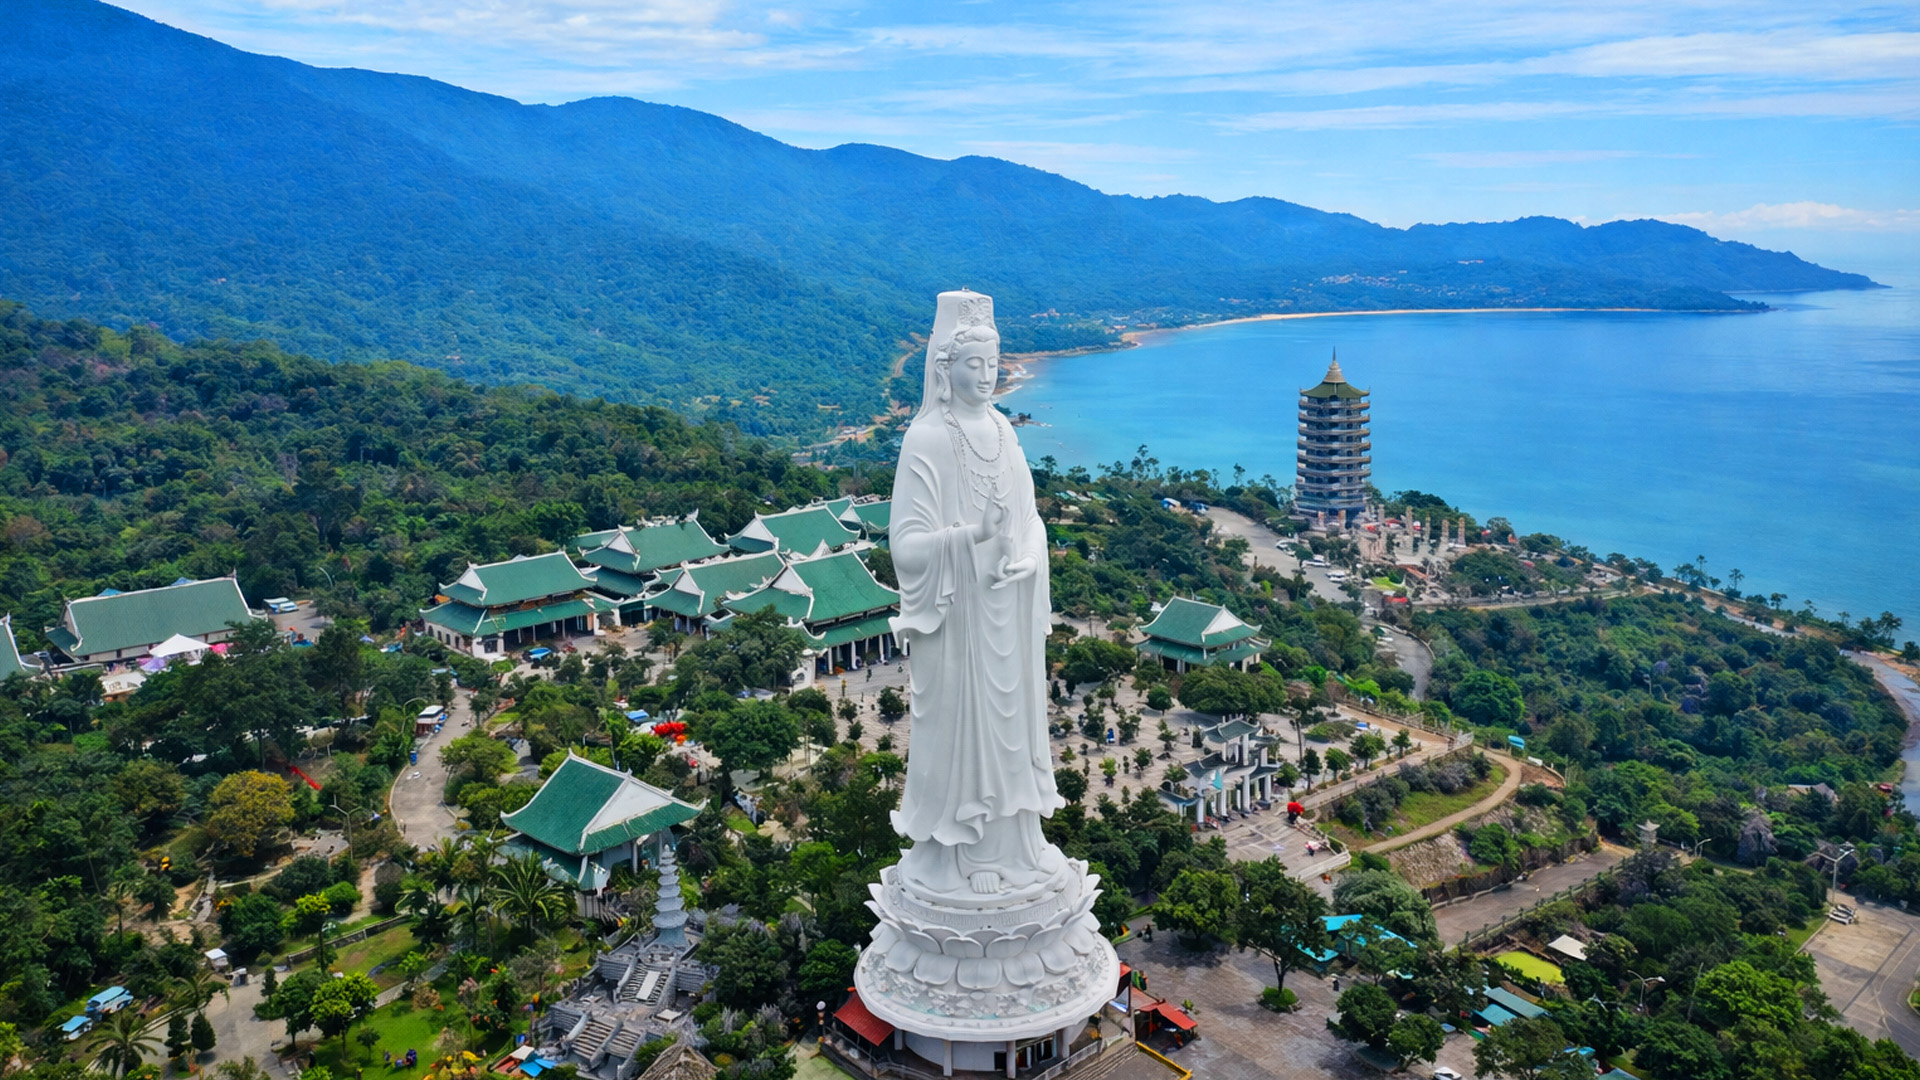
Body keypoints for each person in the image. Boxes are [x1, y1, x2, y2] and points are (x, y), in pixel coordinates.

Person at [889, 290, 1064, 899]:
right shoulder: (927, 441)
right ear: (945, 368)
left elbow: (1033, 519)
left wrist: (1028, 556)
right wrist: (972, 538)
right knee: (967, 730)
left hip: (1007, 611)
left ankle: (1017, 841)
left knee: (1015, 726)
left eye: (994, 364)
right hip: (958, 616)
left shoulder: (1002, 431)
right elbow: (906, 547)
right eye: (973, 365)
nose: (986, 376)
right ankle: (964, 852)